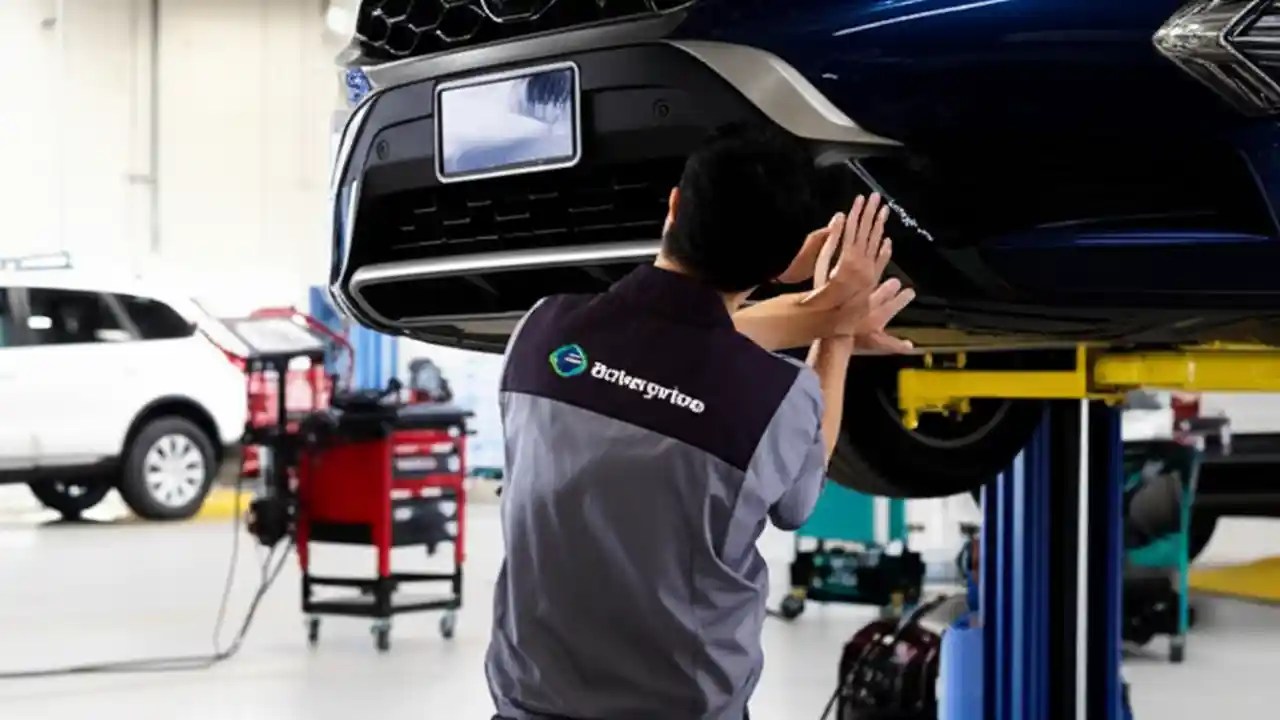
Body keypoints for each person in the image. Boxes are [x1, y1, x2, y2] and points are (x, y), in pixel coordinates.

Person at [486, 124, 916, 720]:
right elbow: (799, 497)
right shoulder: (774, 398)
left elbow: (666, 345)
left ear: (674, 205)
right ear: (783, 261)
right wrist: (834, 333)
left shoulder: (541, 334)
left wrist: (819, 313)